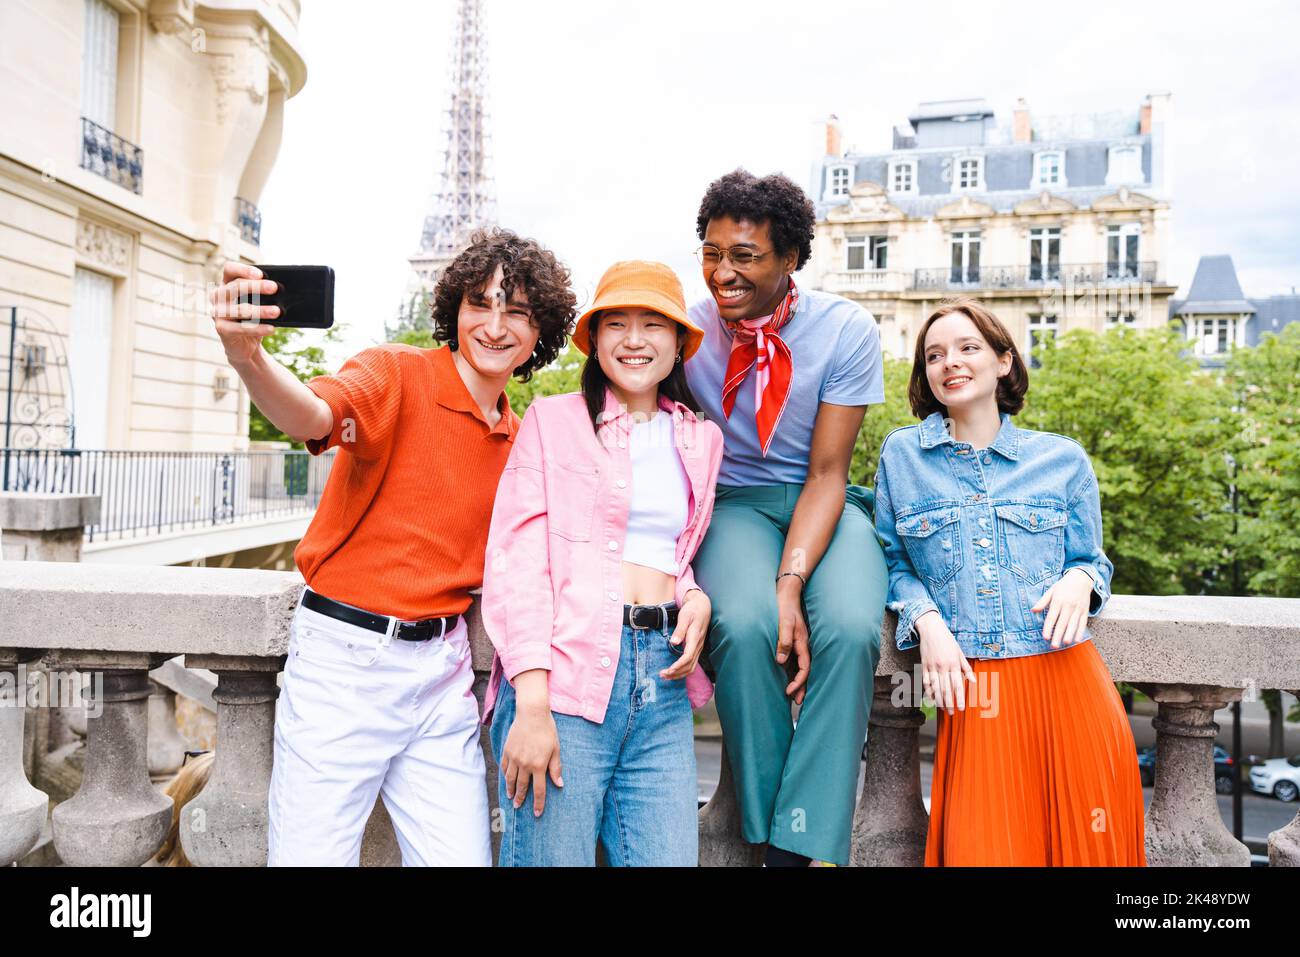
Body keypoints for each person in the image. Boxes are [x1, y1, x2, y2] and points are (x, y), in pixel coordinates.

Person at [208, 228, 576, 866]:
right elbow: (315, 418)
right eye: (479, 304)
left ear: (539, 330)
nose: (495, 325)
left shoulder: (521, 440)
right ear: (453, 310)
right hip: (345, 665)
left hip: (442, 674)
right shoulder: (397, 373)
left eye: (516, 311)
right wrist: (248, 359)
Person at [873, 296, 1145, 866]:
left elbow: (1092, 560)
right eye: (934, 355)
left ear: (1003, 361)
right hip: (978, 693)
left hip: (1069, 684)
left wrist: (1079, 580)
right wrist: (927, 624)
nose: (950, 362)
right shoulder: (903, 454)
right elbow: (892, 563)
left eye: (968, 348)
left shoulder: (1063, 459)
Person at [481, 261, 725, 866]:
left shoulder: (700, 438)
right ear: (594, 341)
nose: (634, 340)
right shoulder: (553, 421)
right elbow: (519, 563)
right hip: (565, 683)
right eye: (616, 324)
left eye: (653, 325)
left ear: (678, 345)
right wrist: (531, 706)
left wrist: (693, 596)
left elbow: (672, 547)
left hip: (662, 683)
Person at [682, 169, 888, 867]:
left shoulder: (846, 329)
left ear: (790, 257)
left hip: (821, 497)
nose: (723, 271)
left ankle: (803, 842)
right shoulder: (686, 330)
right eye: (712, 252)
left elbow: (830, 472)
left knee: (855, 629)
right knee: (741, 626)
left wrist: (793, 581)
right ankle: (772, 835)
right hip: (734, 500)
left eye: (745, 255)